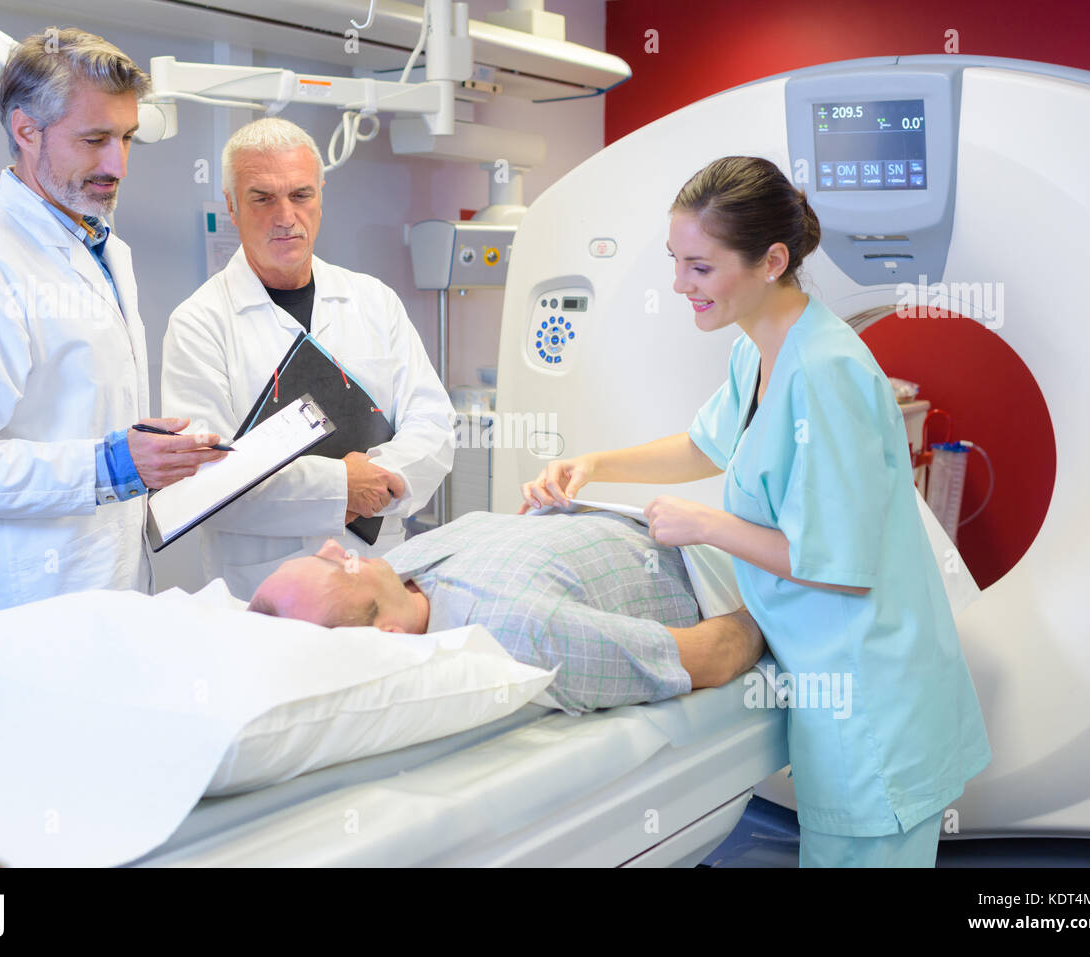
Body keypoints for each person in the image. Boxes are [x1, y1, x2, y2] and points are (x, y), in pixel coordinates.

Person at [520, 157, 992, 867]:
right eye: (676, 262)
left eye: (701, 268)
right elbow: (708, 442)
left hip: (872, 697)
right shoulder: (761, 349)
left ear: (773, 260)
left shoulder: (826, 372)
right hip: (833, 678)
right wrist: (596, 463)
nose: (680, 284)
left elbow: (838, 565)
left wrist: (704, 524)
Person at [0, 29, 227, 621]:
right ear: (27, 131)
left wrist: (142, 447)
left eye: (127, 138)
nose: (118, 163)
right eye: (95, 139)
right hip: (28, 609)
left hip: (113, 589)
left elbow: (71, 411)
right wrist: (110, 465)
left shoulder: (102, 248)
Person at [162, 117, 455, 600]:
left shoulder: (373, 300)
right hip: (263, 588)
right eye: (262, 198)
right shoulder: (199, 322)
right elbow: (209, 479)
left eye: (300, 195)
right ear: (232, 207)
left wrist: (380, 479)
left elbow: (433, 423)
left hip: (380, 569)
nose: (285, 216)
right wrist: (343, 485)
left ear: (320, 196)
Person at [248, 509, 767, 715]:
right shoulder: (516, 632)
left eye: (321, 554)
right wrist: (772, 609)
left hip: (662, 512)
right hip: (723, 564)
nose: (336, 546)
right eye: (338, 569)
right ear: (385, 633)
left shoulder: (403, 566)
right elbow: (714, 656)